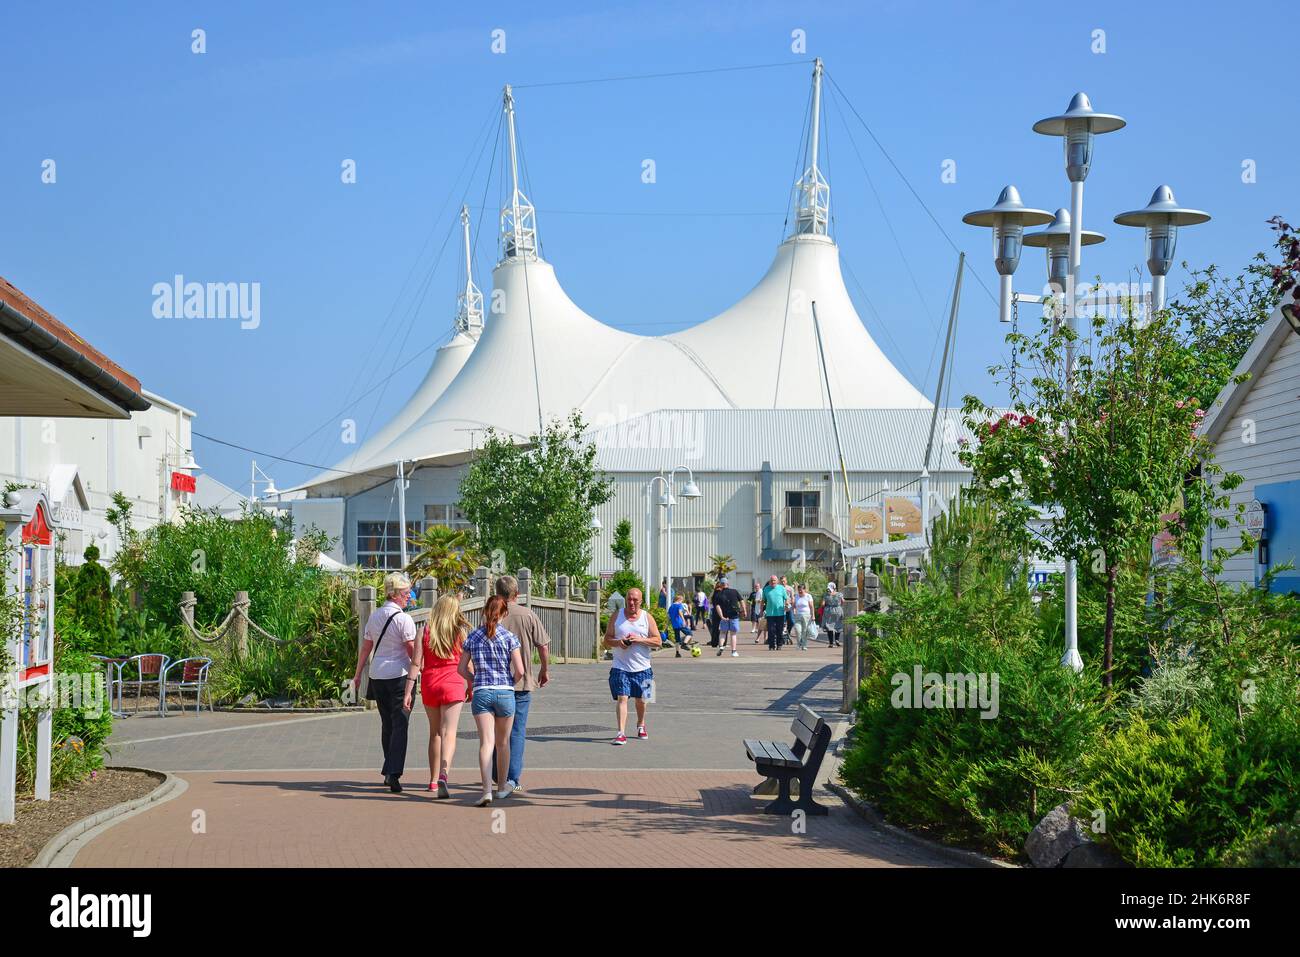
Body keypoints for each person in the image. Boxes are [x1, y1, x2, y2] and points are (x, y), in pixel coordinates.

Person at [353, 572, 418, 793]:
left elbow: (366, 648)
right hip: (399, 676)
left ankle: (390, 767)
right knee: (400, 724)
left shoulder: (374, 617)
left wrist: (358, 674)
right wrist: (422, 669)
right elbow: (411, 650)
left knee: (387, 724)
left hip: (378, 676)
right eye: (406, 593)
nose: (409, 596)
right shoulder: (404, 619)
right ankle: (393, 772)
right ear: (395, 594)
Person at [457, 595, 524, 807]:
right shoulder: (510, 637)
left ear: (485, 611)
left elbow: (461, 668)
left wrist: (474, 679)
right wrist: (510, 682)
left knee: (486, 742)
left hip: (481, 692)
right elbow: (520, 670)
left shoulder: (473, 636)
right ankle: (502, 787)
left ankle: (486, 790)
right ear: (504, 613)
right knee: (503, 743)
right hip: (505, 692)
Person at [404, 594, 468, 797]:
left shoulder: (424, 631)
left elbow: (416, 663)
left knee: (435, 733)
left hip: (430, 683)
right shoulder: (460, 632)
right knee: (449, 733)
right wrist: (472, 685)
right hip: (454, 682)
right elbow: (468, 662)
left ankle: (432, 781)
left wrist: (408, 691)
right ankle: (444, 775)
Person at [491, 575, 550, 796]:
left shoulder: (492, 614)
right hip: (521, 683)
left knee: (496, 730)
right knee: (516, 731)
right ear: (517, 593)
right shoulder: (528, 614)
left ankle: (498, 772)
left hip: (495, 682)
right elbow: (543, 646)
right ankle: (512, 777)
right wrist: (544, 669)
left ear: (497, 593)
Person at [603, 587, 661, 745]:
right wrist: (619, 642)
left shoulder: (647, 617)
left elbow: (658, 641)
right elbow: (607, 639)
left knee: (642, 700)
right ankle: (621, 733)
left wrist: (639, 639)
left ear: (641, 601)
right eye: (629, 599)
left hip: (643, 668)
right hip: (620, 667)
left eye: (635, 600)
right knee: (622, 698)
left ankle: (641, 724)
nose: (631, 602)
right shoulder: (617, 616)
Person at [714, 577, 744, 658]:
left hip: (725, 616)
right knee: (733, 634)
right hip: (734, 615)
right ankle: (734, 651)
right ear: (728, 584)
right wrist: (744, 610)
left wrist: (721, 616)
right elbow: (741, 601)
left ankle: (721, 646)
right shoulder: (734, 591)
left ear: (720, 585)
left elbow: (717, 606)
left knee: (723, 632)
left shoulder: (718, 594)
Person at [762, 575, 789, 651]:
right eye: (771, 580)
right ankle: (771, 645)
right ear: (769, 581)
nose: (773, 582)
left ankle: (779, 644)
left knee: (779, 630)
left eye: (774, 580)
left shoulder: (781, 588)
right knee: (771, 630)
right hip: (770, 613)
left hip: (780, 613)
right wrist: (761, 611)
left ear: (777, 581)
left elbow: (786, 598)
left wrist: (786, 604)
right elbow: (763, 600)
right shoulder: (766, 589)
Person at [667, 592, 694, 657]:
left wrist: (667, 624)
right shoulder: (679, 605)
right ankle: (684, 644)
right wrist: (683, 620)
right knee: (689, 633)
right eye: (682, 600)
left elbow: (668, 616)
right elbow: (680, 612)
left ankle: (677, 653)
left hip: (674, 624)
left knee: (677, 639)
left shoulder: (671, 606)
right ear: (679, 599)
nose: (682, 602)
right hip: (680, 623)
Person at [791, 583, 816, 651]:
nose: (800, 591)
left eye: (801, 590)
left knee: (805, 631)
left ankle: (804, 645)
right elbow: (793, 606)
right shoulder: (796, 596)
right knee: (798, 630)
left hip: (806, 616)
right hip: (798, 616)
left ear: (804, 590)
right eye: (798, 590)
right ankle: (799, 644)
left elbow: (811, 606)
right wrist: (789, 609)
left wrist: (813, 615)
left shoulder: (808, 596)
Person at [822, 582, 844, 648]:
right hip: (838, 610)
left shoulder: (826, 595)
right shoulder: (840, 594)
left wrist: (826, 605)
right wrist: (839, 606)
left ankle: (831, 643)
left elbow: (823, 604)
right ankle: (837, 640)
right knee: (838, 625)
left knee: (829, 626)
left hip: (828, 611)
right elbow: (843, 601)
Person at [708, 583, 723, 647]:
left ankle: (714, 642)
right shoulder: (722, 593)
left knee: (715, 628)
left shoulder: (714, 593)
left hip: (714, 611)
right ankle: (722, 642)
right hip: (722, 611)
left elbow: (709, 600)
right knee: (723, 628)